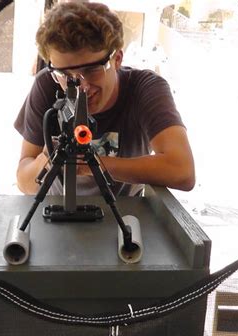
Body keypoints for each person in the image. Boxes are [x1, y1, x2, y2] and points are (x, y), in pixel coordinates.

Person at [14, 2, 195, 196]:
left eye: (91, 70)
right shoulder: (48, 85)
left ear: (117, 59)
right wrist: (49, 156)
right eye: (64, 74)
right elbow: (24, 182)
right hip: (54, 213)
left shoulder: (145, 88)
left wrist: (87, 165)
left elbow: (182, 170)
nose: (81, 86)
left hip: (121, 217)